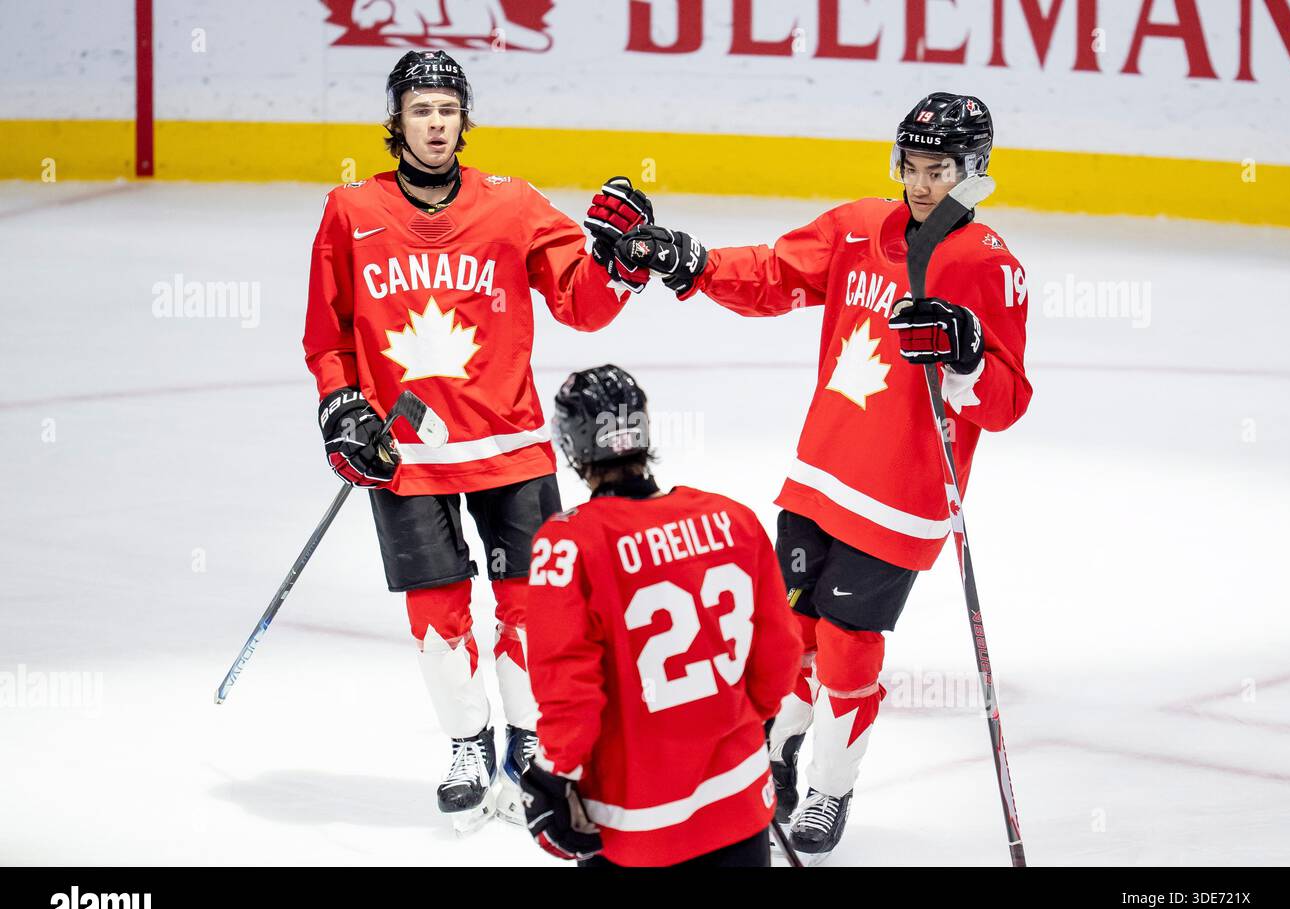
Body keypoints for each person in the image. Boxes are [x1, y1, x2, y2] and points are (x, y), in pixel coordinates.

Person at [607, 93, 1032, 863]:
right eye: (911, 164)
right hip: (818, 474)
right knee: (786, 634)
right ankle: (772, 756)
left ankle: (830, 784)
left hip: (901, 499)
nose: (921, 183)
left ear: (974, 171)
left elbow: (1006, 402)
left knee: (847, 649)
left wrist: (967, 353)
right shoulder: (856, 227)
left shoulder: (988, 264)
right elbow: (773, 276)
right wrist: (689, 260)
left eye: (940, 169)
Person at [302, 50, 653, 831]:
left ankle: (528, 741)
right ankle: (468, 742)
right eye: (421, 109)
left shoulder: (514, 205)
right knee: (437, 612)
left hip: (510, 444)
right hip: (407, 453)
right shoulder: (350, 210)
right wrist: (341, 408)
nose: (435, 123)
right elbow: (326, 337)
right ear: (396, 122)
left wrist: (620, 263)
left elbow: (581, 303)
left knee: (531, 605)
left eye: (447, 109)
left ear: (465, 120)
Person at [520, 366, 803, 867]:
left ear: (572, 444)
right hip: (739, 801)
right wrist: (746, 729)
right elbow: (780, 653)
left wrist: (548, 775)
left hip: (635, 821)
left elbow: (569, 691)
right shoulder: (732, 517)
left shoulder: (568, 545)